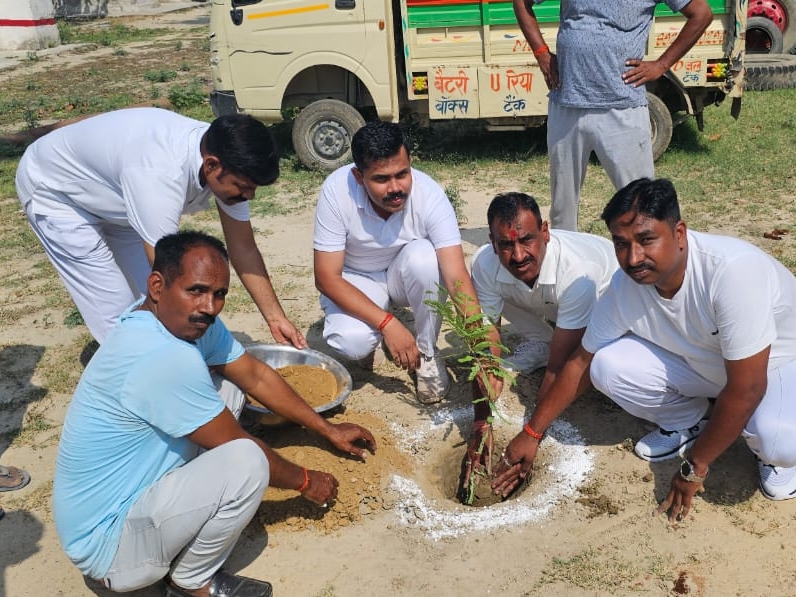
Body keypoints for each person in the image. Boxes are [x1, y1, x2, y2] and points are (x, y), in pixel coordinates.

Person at [53, 231, 376, 596]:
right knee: (247, 461)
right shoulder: (163, 357)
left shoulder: (173, 321)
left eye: (219, 294)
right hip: (110, 549)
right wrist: (305, 480)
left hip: (122, 504)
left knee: (229, 385)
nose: (209, 306)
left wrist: (326, 428)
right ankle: (191, 581)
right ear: (157, 286)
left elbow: (254, 375)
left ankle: (182, 538)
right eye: (196, 290)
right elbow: (242, 447)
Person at [493, 178, 796, 522]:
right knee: (606, 364)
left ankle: (775, 457)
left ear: (679, 233)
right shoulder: (627, 285)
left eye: (646, 239)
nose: (633, 257)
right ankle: (686, 420)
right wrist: (531, 433)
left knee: (777, 441)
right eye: (621, 244)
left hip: (777, 365)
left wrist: (694, 467)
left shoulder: (731, 273)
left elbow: (747, 387)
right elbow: (580, 362)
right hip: (709, 365)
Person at [15, 107, 307, 348]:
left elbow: (243, 248)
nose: (249, 197)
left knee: (153, 297)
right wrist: (216, 344)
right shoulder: (159, 172)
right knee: (119, 312)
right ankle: (130, 377)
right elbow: (169, 268)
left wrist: (275, 317)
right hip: (57, 192)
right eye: (244, 188)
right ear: (212, 165)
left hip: (114, 195)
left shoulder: (227, 158)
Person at [313, 121, 485, 404]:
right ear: (359, 177)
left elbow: (456, 275)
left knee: (425, 256)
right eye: (381, 179)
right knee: (352, 343)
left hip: (403, 274)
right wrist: (388, 324)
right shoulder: (336, 192)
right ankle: (373, 332)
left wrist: (480, 342)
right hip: (356, 277)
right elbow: (326, 277)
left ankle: (427, 352)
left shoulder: (429, 196)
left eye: (402, 174)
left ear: (410, 164)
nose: (395, 188)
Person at [461, 192, 616, 495]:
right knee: (501, 294)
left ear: (545, 232)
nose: (518, 255)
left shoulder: (577, 273)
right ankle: (543, 340)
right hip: (555, 300)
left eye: (527, 240)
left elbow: (559, 370)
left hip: (606, 301)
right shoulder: (485, 263)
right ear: (492, 243)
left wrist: (531, 434)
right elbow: (487, 342)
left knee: (591, 359)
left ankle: (557, 339)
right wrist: (481, 422)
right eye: (506, 244)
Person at [512, 0, 712, 231]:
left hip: (622, 109)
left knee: (642, 205)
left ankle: (648, 262)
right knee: (562, 209)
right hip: (567, 105)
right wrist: (541, 54)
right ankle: (565, 262)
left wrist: (661, 65)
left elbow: (701, 14)